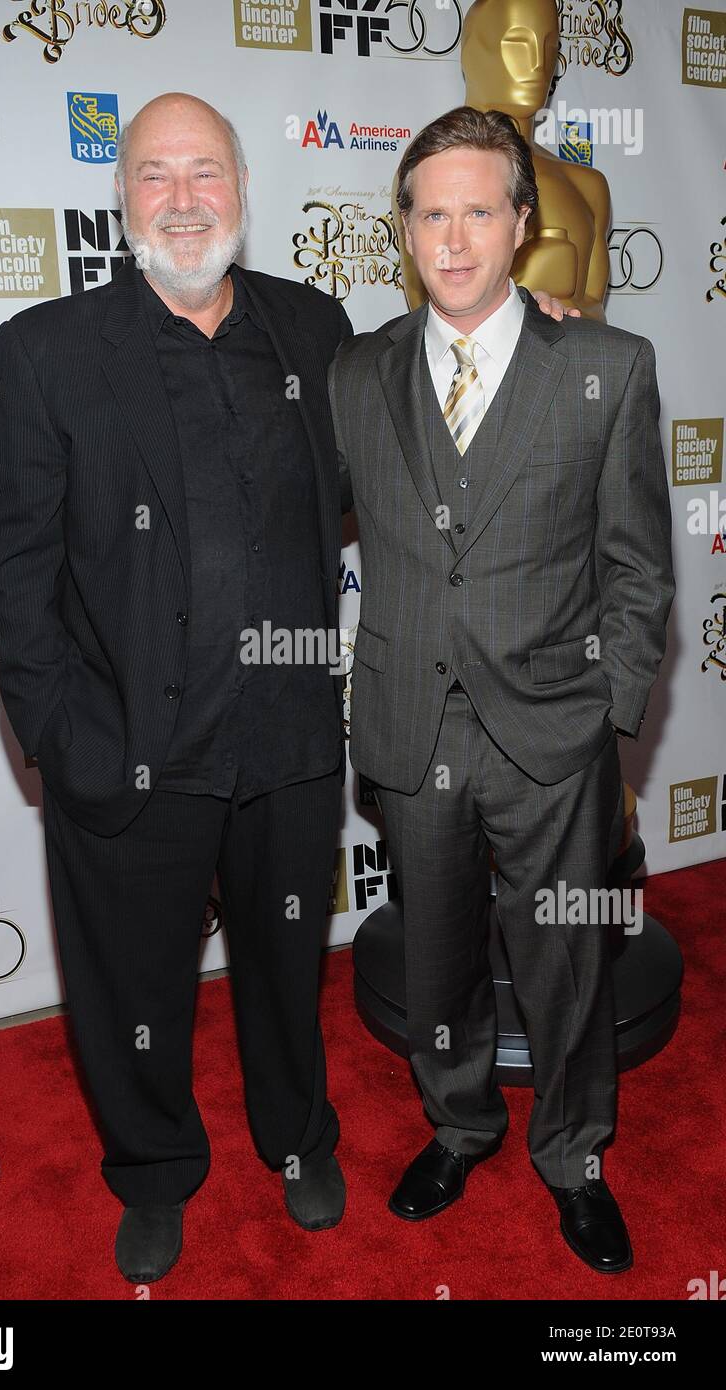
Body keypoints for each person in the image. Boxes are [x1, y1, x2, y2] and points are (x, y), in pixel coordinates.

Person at [0, 89, 573, 1287]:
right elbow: (11, 573)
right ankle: (151, 1168)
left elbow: (421, 431)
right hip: (126, 747)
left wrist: (521, 328)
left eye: (206, 173)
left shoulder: (313, 327)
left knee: (287, 967)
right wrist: (63, 735)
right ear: (122, 194)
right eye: (156, 175)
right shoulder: (46, 351)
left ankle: (297, 1134)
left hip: (291, 741)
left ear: (244, 191)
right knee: (130, 983)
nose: (184, 199)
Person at [328, 105, 675, 1274]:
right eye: (433, 211)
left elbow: (638, 564)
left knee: (565, 962)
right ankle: (461, 1121)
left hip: (553, 734)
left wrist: (608, 716)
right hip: (409, 726)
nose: (456, 235)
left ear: (524, 225)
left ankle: (574, 1155)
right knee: (435, 955)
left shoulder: (606, 367)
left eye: (481, 208)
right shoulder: (355, 373)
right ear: (406, 229)